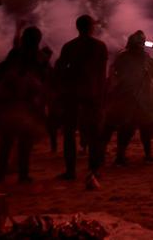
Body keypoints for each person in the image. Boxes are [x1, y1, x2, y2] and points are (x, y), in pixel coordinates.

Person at [0, 26, 47, 184]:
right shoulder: (39, 57)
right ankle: (23, 175)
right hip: (29, 104)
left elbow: (0, 71)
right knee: (25, 143)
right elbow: (45, 78)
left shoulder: (15, 54)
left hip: (10, 103)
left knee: (6, 141)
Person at [55, 14, 108, 190]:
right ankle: (93, 170)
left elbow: (60, 70)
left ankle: (70, 171)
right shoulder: (99, 46)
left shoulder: (69, 47)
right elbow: (102, 74)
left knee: (70, 134)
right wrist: (101, 95)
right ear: (91, 27)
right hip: (92, 94)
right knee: (94, 134)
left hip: (72, 94)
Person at [106, 31, 153, 165]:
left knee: (128, 128)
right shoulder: (144, 57)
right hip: (140, 98)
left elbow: (114, 72)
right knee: (142, 127)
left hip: (128, 97)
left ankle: (121, 156)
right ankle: (145, 155)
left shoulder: (122, 56)